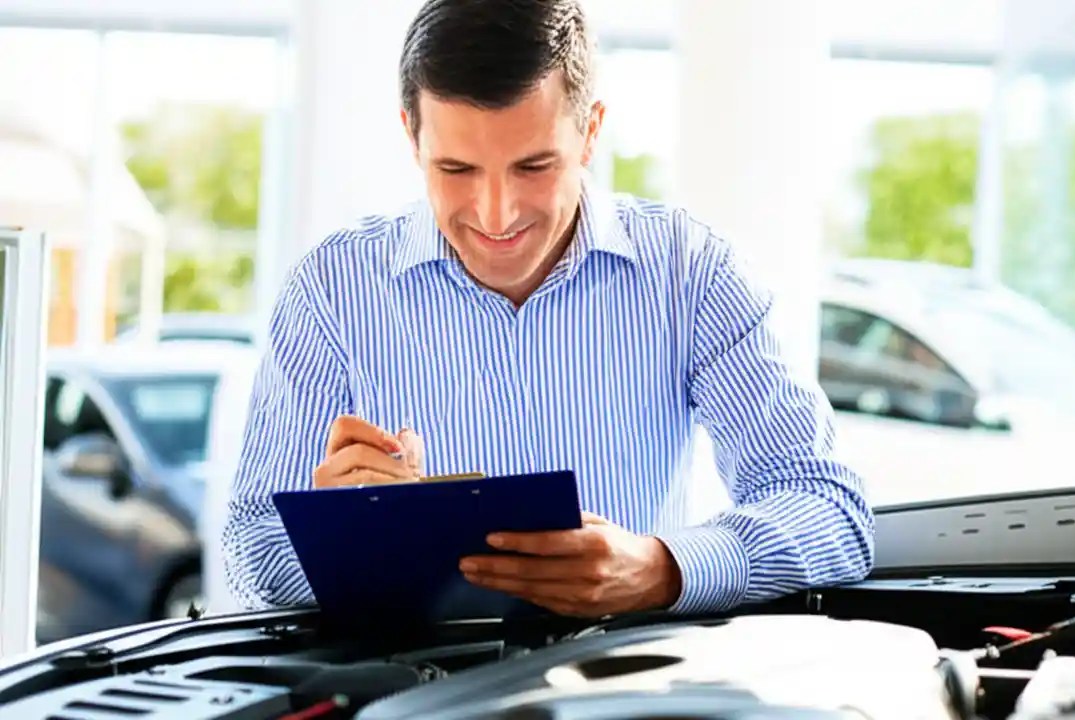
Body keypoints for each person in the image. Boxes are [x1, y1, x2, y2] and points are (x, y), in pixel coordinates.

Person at [223, 0, 874, 618]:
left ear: (590, 131)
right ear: (411, 136)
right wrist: (344, 534)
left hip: (621, 686)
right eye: (456, 169)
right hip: (409, 691)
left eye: (534, 166)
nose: (496, 214)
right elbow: (250, 551)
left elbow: (830, 512)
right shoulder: (334, 290)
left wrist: (661, 568)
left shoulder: (689, 272)